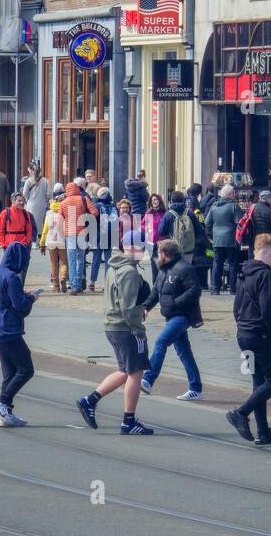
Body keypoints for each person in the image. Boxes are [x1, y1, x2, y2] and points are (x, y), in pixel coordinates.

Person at [75, 235, 156, 435]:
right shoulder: (129, 271)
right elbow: (128, 307)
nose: (143, 252)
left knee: (125, 370)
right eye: (141, 247)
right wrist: (139, 329)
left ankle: (90, 401)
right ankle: (128, 421)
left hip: (112, 325)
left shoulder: (113, 266)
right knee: (136, 373)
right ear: (132, 248)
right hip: (126, 327)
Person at [226, 234, 271, 445]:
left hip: (244, 334)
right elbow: (267, 308)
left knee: (258, 382)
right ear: (269, 251)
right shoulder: (265, 275)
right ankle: (240, 413)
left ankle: (263, 431)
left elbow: (236, 306)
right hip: (261, 335)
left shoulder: (243, 272)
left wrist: (242, 325)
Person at [139, 239, 204, 401]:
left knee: (161, 342)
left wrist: (175, 303)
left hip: (183, 316)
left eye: (158, 252)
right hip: (171, 316)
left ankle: (148, 379)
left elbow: (195, 290)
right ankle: (195, 388)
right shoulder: (163, 270)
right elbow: (155, 292)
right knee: (184, 352)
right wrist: (145, 307)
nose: (157, 255)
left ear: (165, 253)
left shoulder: (184, 269)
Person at [0, 242, 40, 428]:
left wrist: (21, 296)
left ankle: (5, 413)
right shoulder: (12, 278)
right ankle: (2, 402)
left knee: (9, 373)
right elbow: (20, 306)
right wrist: (31, 297)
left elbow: (3, 300)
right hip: (9, 330)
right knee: (26, 369)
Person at [59, 179, 99, 295]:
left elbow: (59, 221)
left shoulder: (63, 203)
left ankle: (74, 285)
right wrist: (85, 216)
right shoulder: (83, 199)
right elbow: (95, 212)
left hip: (69, 234)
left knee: (71, 259)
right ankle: (79, 283)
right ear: (77, 189)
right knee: (80, 259)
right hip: (82, 232)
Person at [207, 185, 243, 294]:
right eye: (233, 193)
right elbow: (240, 222)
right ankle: (233, 289)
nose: (234, 195)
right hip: (231, 240)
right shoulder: (234, 206)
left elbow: (207, 222)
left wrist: (212, 234)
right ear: (230, 194)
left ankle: (215, 288)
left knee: (217, 264)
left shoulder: (214, 206)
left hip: (217, 239)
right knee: (232, 264)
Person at [40, 189, 69, 292]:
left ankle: (56, 285)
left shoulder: (48, 214)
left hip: (51, 241)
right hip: (62, 241)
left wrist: (42, 243)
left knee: (53, 263)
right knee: (64, 262)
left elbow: (44, 230)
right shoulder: (65, 212)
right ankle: (63, 278)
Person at [0, 192, 38, 262]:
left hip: (23, 244)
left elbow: (29, 230)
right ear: (13, 201)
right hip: (9, 244)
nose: (22, 203)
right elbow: (0, 230)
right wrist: (4, 244)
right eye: (19, 201)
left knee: (22, 267)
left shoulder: (26, 214)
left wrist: (26, 242)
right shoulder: (5, 213)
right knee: (10, 267)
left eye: (23, 200)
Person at [22, 164, 50, 233]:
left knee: (31, 222)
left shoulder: (28, 181)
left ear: (32, 171)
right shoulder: (45, 181)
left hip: (31, 204)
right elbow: (49, 194)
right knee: (41, 223)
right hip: (42, 204)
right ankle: (40, 238)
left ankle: (33, 238)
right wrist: (47, 201)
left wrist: (27, 200)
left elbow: (25, 193)